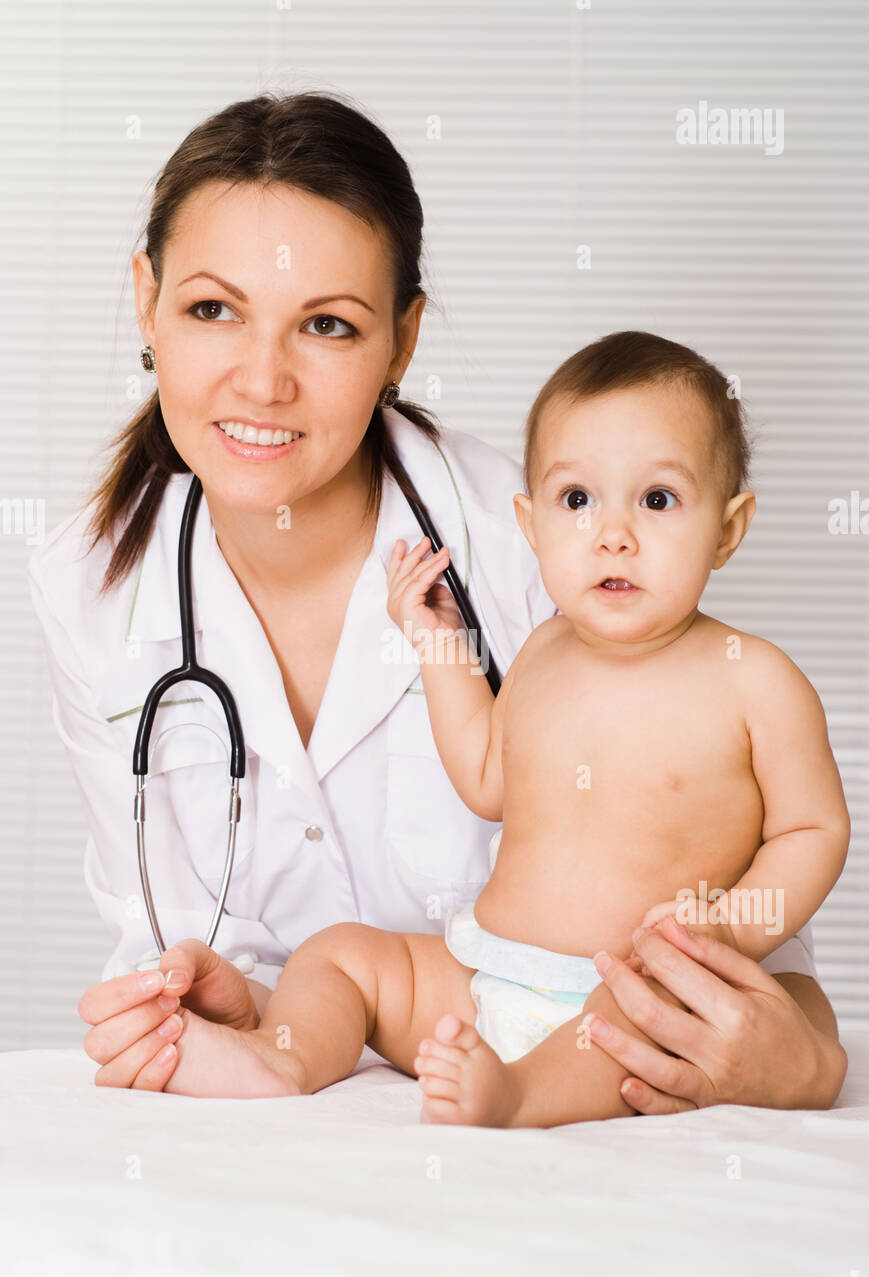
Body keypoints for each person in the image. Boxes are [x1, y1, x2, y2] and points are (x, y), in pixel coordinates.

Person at [29, 91, 846, 1113]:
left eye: (327, 325)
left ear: (401, 342)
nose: (263, 380)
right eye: (212, 309)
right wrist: (234, 1004)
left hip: (575, 1028)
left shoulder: (551, 548)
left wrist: (806, 1056)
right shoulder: (87, 584)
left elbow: (734, 884)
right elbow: (170, 934)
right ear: (146, 300)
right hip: (358, 1053)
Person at [144, 331, 851, 1125]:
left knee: (634, 1011)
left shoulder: (750, 676)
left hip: (633, 989)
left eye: (656, 500)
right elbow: (485, 778)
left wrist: (728, 927)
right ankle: (286, 1054)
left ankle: (518, 1098)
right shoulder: (546, 649)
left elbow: (813, 828)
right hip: (484, 977)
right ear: (531, 524)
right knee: (344, 954)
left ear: (727, 528)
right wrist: (440, 643)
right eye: (576, 501)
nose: (612, 534)